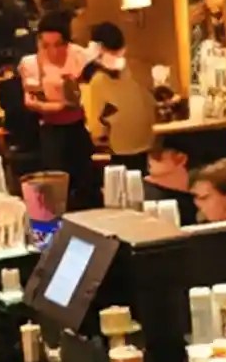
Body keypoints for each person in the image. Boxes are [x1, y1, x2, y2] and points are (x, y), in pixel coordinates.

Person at [19, 12, 95, 208]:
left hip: (78, 127)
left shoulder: (79, 56)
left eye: (58, 45)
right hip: (50, 129)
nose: (52, 51)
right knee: (56, 185)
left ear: (67, 43)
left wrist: (63, 102)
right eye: (46, 45)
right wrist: (61, 105)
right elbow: (30, 101)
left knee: (85, 183)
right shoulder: (31, 64)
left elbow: (85, 96)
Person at [81, 22, 154, 172]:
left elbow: (96, 128)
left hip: (120, 149)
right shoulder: (139, 68)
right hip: (147, 143)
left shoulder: (99, 81)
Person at [144, 137, 197, 225]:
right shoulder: (146, 195)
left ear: (181, 158)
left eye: (157, 155)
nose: (150, 158)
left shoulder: (198, 196)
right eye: (150, 153)